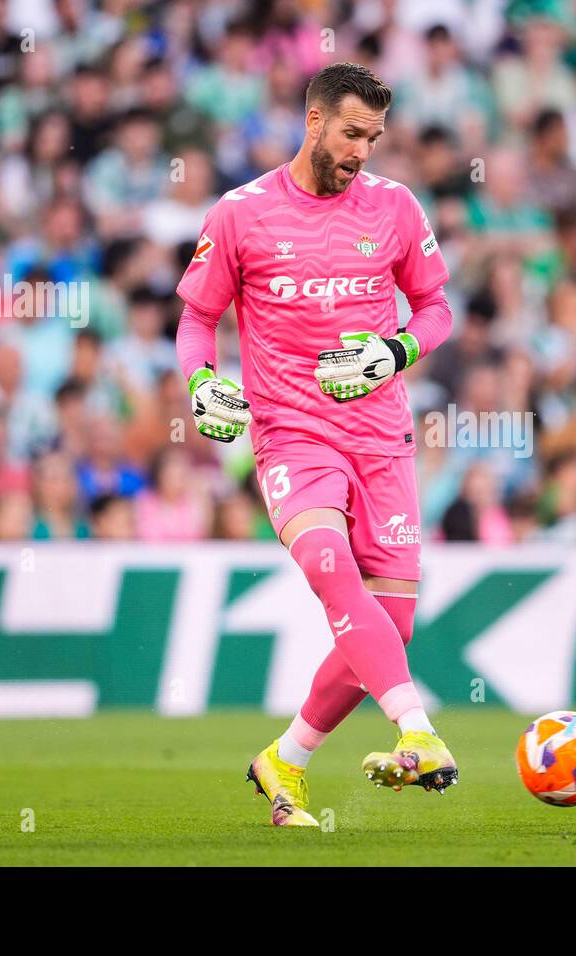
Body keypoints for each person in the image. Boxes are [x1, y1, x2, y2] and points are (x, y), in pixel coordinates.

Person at [175, 63, 455, 827]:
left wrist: (393, 352)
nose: (364, 149)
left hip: (383, 439)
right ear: (313, 123)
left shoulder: (395, 207)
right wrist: (202, 385)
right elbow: (198, 319)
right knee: (330, 567)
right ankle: (418, 731)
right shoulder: (241, 213)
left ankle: (284, 762)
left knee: (388, 627)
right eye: (352, 133)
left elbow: (435, 308)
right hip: (292, 434)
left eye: (374, 137)